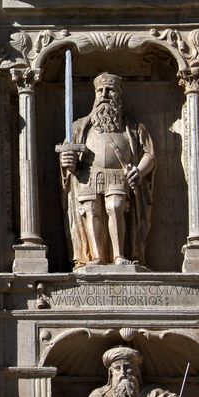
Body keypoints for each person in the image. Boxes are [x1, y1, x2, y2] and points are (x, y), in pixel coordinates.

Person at [59, 72, 155, 267]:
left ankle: (119, 255)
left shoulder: (133, 127)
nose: (104, 94)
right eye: (100, 90)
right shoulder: (80, 126)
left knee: (116, 207)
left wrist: (139, 171)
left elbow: (149, 154)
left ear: (118, 95)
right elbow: (68, 157)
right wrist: (67, 162)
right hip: (88, 175)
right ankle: (96, 257)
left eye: (110, 90)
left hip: (119, 175)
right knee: (91, 210)